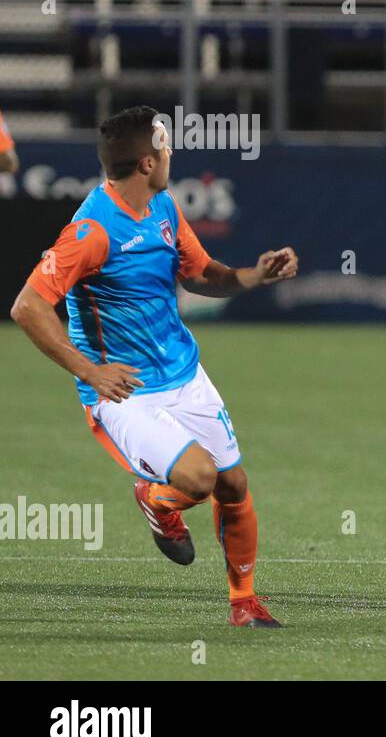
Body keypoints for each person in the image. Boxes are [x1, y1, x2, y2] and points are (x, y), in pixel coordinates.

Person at [10, 106, 299, 627]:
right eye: (165, 149)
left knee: (234, 486)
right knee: (200, 476)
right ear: (147, 162)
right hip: (126, 392)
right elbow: (28, 307)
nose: (171, 155)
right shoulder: (92, 231)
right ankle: (157, 500)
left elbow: (200, 274)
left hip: (185, 375)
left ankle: (244, 604)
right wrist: (90, 372)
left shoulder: (164, 206)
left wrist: (253, 275)